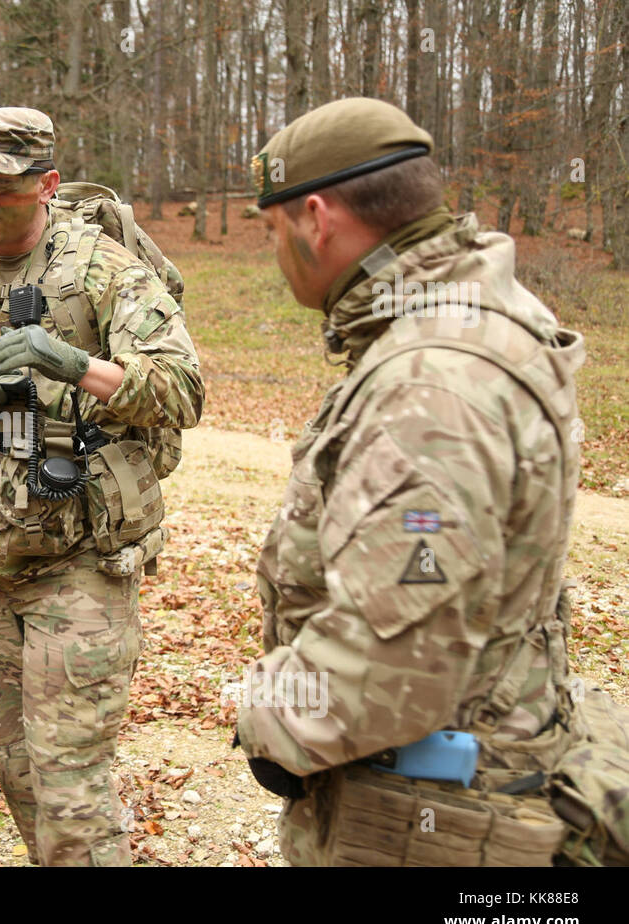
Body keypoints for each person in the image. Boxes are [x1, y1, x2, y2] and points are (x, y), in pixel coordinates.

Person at [234, 97, 586, 866]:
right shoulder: (480, 313)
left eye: (272, 230)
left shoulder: (429, 385)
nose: (275, 252)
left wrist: (265, 719)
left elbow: (395, 668)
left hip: (435, 819)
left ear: (317, 219)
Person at [0, 107, 203, 866]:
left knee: (72, 785)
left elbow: (182, 390)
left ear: (46, 185)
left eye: (0, 184)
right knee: (19, 773)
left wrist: (72, 363)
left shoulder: (104, 271)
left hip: (78, 568)